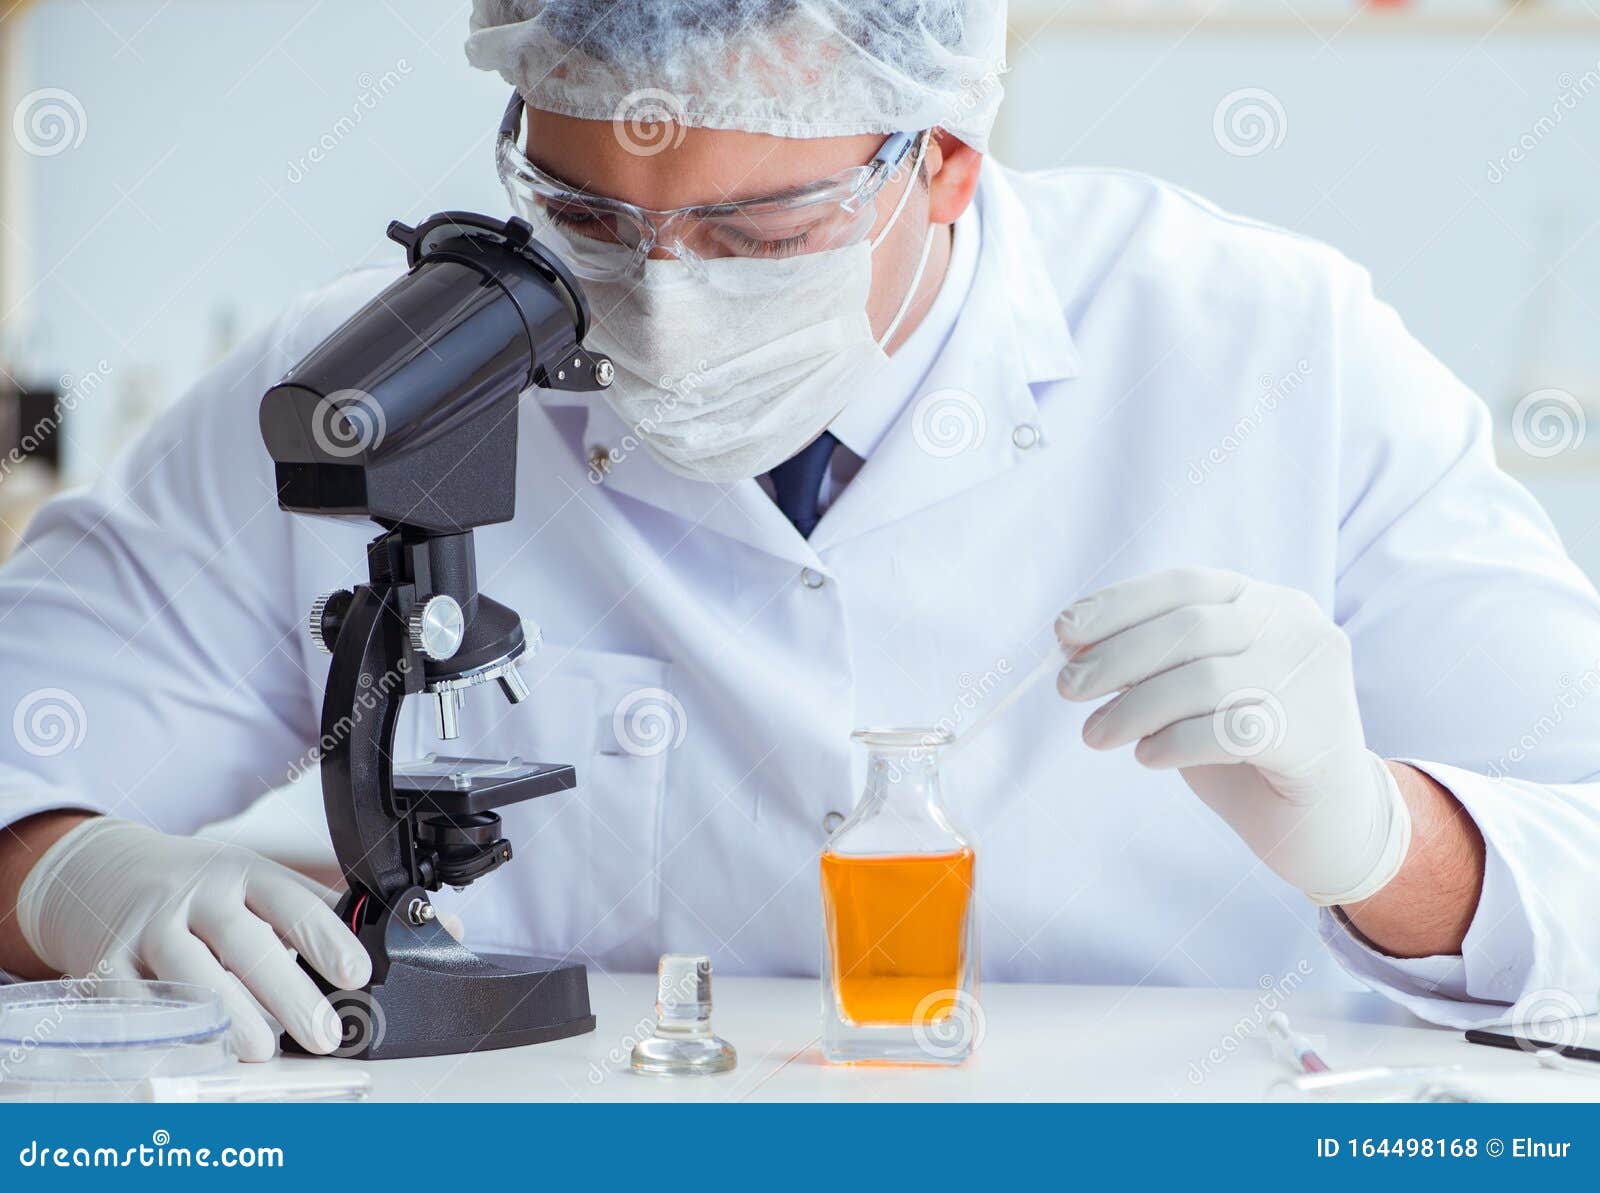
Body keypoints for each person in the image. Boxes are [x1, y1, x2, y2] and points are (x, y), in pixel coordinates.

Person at [2, 0, 1598, 1062]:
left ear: (949, 160)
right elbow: (27, 744)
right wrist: (71, 878)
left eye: (757, 231)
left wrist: (1388, 843)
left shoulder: (1267, 351)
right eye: (591, 219)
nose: (667, 297)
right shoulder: (370, 380)